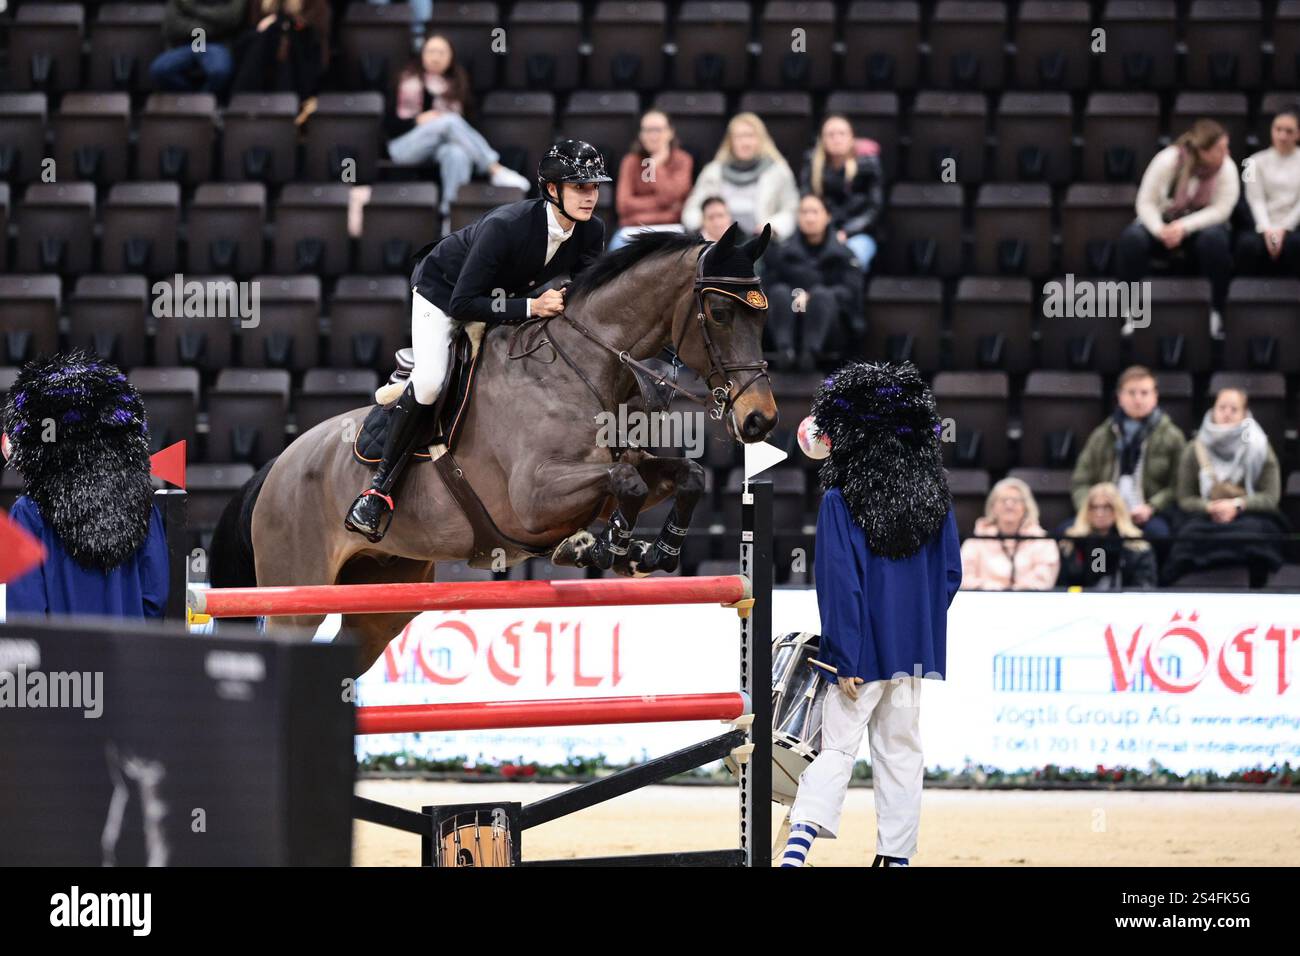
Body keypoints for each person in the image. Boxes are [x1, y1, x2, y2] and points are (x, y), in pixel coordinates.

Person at [344, 139, 608, 542]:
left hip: (502, 298)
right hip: (443, 293)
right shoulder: (507, 226)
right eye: (580, 188)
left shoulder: (592, 231)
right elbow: (464, 302)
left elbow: (587, 289)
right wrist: (531, 308)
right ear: (553, 190)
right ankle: (378, 490)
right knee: (432, 380)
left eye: (594, 188)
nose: (590, 197)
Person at [781, 362, 961, 868]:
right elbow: (950, 575)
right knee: (902, 751)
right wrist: (918, 625)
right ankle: (896, 858)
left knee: (835, 748)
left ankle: (799, 849)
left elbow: (841, 584)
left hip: (860, 652)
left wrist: (844, 651)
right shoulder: (937, 499)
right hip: (914, 651)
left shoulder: (841, 500)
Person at [2, 352, 169, 618]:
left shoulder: (28, 512)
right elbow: (155, 597)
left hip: (60, 658)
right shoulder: (144, 505)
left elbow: (25, 611)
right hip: (130, 654)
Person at [1115, 118, 1239, 338]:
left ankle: (1216, 310)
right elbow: (1145, 202)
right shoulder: (1167, 160)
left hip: (1199, 227)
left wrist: (1183, 227)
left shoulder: (1227, 168)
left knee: (1215, 241)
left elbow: (1222, 210)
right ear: (1202, 150)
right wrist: (1159, 229)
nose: (1226, 152)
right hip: (1163, 224)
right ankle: (1132, 311)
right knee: (1132, 239)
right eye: (1220, 148)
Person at [385, 34, 532, 216]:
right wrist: (416, 120)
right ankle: (495, 169)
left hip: (441, 149)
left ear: (450, 57)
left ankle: (450, 217)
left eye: (441, 52)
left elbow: (469, 125)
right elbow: (388, 126)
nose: (435, 57)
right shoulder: (406, 81)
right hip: (404, 148)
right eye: (431, 51)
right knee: (449, 120)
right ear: (422, 55)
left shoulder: (458, 86)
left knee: (457, 154)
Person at [1165, 388, 1288, 587]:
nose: (1227, 413)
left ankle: (1257, 590)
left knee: (1256, 534)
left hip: (1247, 514)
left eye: (1234, 409)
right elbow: (1185, 497)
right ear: (1213, 410)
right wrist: (1209, 507)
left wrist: (1237, 505)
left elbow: (1270, 497)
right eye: (1222, 407)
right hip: (1206, 515)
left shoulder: (1260, 448)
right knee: (1189, 534)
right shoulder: (1194, 448)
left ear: (1245, 414)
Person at [1070, 365, 1186, 539]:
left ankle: (1139, 567)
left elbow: (1178, 485)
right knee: (1068, 535)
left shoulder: (1172, 436)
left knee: (1159, 535)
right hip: (1104, 511)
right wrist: (1093, 509)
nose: (1138, 399)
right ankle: (1098, 567)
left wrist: (1152, 507)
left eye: (1144, 393)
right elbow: (1080, 481)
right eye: (1131, 393)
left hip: (1149, 513)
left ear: (1155, 396)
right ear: (1119, 397)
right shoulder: (1102, 435)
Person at [762, 193, 863, 371]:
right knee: (779, 292)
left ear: (828, 216)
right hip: (785, 322)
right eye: (804, 212)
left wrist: (812, 297)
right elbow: (765, 288)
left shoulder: (844, 255)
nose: (809, 218)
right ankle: (785, 351)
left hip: (830, 327)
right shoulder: (782, 253)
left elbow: (851, 293)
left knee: (822, 295)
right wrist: (796, 296)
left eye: (815, 212)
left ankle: (810, 353)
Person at [681, 113, 800, 240]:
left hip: (763, 243)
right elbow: (691, 211)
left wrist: (772, 227)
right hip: (718, 243)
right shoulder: (713, 172)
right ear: (730, 141)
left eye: (750, 136)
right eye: (739, 137)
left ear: (761, 139)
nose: (745, 142)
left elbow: (791, 209)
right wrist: (707, 223)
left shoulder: (778, 171)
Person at [800, 114, 884, 273]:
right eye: (830, 134)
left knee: (850, 259)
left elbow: (874, 210)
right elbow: (806, 201)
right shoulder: (812, 165)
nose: (836, 138)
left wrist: (846, 232)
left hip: (858, 234)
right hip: (819, 233)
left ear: (852, 138)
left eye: (842, 134)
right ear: (822, 139)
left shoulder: (868, 167)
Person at [608, 109, 694, 251]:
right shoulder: (630, 161)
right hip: (634, 229)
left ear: (670, 132)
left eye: (658, 130)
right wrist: (666, 208)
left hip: (672, 229)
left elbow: (675, 202)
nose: (653, 136)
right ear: (641, 135)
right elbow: (623, 206)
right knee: (613, 255)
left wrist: (655, 165)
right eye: (647, 130)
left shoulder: (683, 159)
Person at [959, 477, 1059, 590]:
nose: (1009, 505)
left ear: (1026, 507)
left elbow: (1044, 579)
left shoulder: (1043, 540)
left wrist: (1016, 591)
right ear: (993, 507)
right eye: (1003, 500)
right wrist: (991, 588)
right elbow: (963, 577)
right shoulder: (976, 539)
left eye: (1016, 500)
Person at [1236, 106, 1300, 275]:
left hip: (1294, 225)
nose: (1282, 136)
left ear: (1298, 134)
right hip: (1261, 224)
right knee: (1246, 245)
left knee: (1295, 244)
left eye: (1289, 131)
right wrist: (1267, 231)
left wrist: (1284, 229)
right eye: (1278, 129)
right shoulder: (1252, 161)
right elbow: (1254, 200)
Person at [1058, 483, 1157, 590]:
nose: (1100, 513)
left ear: (1117, 510)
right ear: (1087, 510)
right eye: (1094, 507)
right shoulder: (1073, 542)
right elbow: (1064, 585)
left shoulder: (1136, 545)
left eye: (1106, 507)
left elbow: (1145, 586)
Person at [228, 0, 329, 100]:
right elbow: (252, 27)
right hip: (264, 51)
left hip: (301, 56)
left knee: (282, 37)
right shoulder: (258, 3)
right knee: (267, 37)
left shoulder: (315, 3)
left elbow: (315, 30)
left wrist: (287, 23)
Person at [150, 0, 249, 95]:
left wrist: (192, 9)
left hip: (217, 44)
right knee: (160, 69)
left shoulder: (187, 5)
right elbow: (171, 26)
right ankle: (192, 102)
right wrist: (212, 25)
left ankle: (203, 102)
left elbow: (232, 18)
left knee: (219, 71)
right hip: (184, 44)